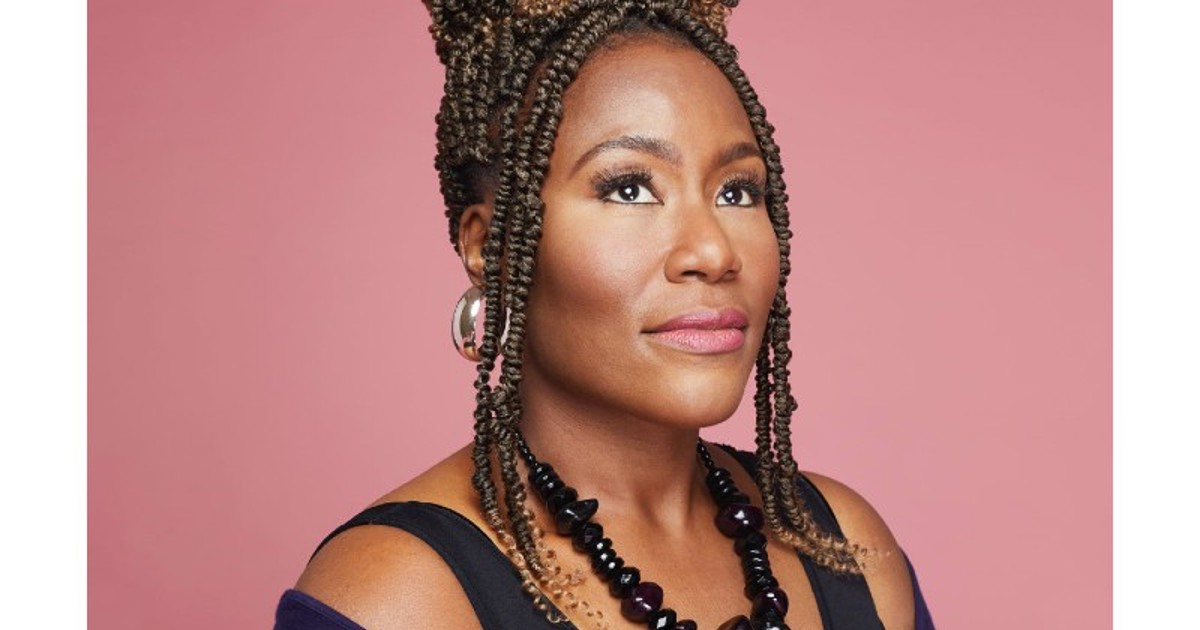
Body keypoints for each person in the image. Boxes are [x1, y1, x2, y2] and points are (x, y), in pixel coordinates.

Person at [275, 1, 934, 628]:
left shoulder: (847, 549)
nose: (713, 252)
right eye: (630, 188)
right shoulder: (399, 596)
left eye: (737, 191)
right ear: (491, 246)